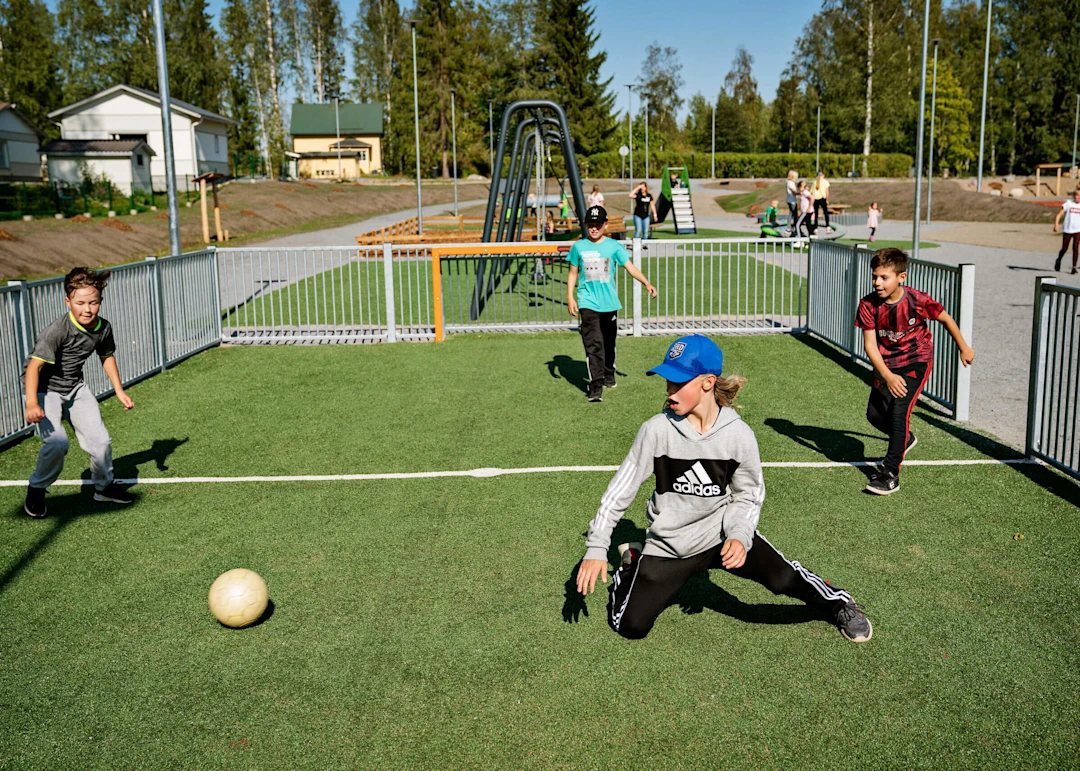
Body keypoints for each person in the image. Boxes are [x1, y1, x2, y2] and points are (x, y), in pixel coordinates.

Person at [575, 335, 873, 643]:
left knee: (783, 578)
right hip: (670, 546)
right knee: (630, 626)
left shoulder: (739, 436)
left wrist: (739, 535)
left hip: (720, 536)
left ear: (707, 382)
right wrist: (597, 547)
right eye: (667, 380)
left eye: (678, 382)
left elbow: (748, 494)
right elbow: (619, 490)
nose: (669, 390)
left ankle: (839, 603)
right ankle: (633, 562)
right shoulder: (656, 430)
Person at [855, 248, 975, 496]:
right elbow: (869, 345)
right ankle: (905, 440)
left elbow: (946, 318)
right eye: (874, 276)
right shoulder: (867, 304)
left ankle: (890, 475)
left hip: (916, 360)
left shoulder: (918, 300)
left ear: (902, 277)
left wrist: (963, 347)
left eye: (884, 277)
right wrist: (887, 375)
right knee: (875, 416)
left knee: (899, 412)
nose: (877, 282)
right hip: (887, 364)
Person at [22, 267, 135, 518]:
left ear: (100, 301)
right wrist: (31, 402)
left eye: (93, 302)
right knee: (56, 443)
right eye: (80, 302)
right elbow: (34, 367)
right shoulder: (58, 330)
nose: (87, 309)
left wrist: (119, 390)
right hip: (44, 390)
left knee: (101, 441)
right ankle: (37, 488)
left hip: (75, 388)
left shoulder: (103, 328)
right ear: (68, 301)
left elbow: (106, 356)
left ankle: (104, 487)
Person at [566, 205, 657, 402]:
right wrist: (570, 297)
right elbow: (573, 272)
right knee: (594, 344)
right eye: (590, 224)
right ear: (585, 225)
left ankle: (609, 373)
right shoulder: (578, 247)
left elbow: (630, 267)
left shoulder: (614, 247)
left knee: (609, 342)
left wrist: (646, 283)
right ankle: (595, 386)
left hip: (609, 303)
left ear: (605, 225)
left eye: (598, 224)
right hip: (587, 302)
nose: (594, 228)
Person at [1052, 186, 1080, 274]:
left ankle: (1074, 267)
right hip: (1068, 229)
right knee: (1064, 248)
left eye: (1079, 196)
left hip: (1077, 229)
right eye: (1075, 195)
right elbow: (1059, 215)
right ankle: (1059, 259)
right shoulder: (1068, 203)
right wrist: (1056, 224)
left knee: (1075, 248)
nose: (1077, 197)